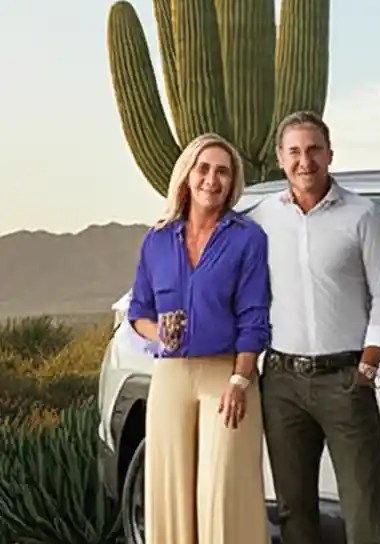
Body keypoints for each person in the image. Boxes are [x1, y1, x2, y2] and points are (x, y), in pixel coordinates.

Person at [249, 110, 380, 544]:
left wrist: (367, 367)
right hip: (281, 385)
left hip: (345, 380)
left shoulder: (362, 215)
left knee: (365, 512)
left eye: (313, 149)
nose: (305, 160)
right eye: (294, 151)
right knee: (295, 514)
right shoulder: (263, 219)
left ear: (330, 154)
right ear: (280, 158)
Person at [126, 133, 272, 544]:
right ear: (187, 175)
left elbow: (254, 316)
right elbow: (139, 311)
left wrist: (241, 379)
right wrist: (159, 335)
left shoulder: (247, 238)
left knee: (223, 495)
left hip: (227, 375)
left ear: (232, 183)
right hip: (170, 376)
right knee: (169, 494)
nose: (212, 179)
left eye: (222, 171)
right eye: (203, 168)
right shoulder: (157, 239)